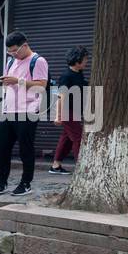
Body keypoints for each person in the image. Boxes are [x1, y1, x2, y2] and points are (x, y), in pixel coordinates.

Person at [0, 31, 47, 197]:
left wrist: (18, 81)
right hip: (8, 109)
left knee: (26, 149)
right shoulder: (11, 61)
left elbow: (41, 86)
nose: (13, 54)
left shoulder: (38, 61)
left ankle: (26, 183)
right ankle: (2, 181)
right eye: (10, 51)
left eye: (15, 51)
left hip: (28, 110)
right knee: (2, 149)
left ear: (25, 45)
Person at [51, 46, 90, 174]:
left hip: (76, 111)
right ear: (77, 60)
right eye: (85, 59)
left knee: (67, 138)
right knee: (79, 138)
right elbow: (61, 97)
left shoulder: (79, 74)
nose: (86, 62)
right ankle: (82, 168)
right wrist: (58, 116)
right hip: (67, 111)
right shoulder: (66, 76)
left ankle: (56, 166)